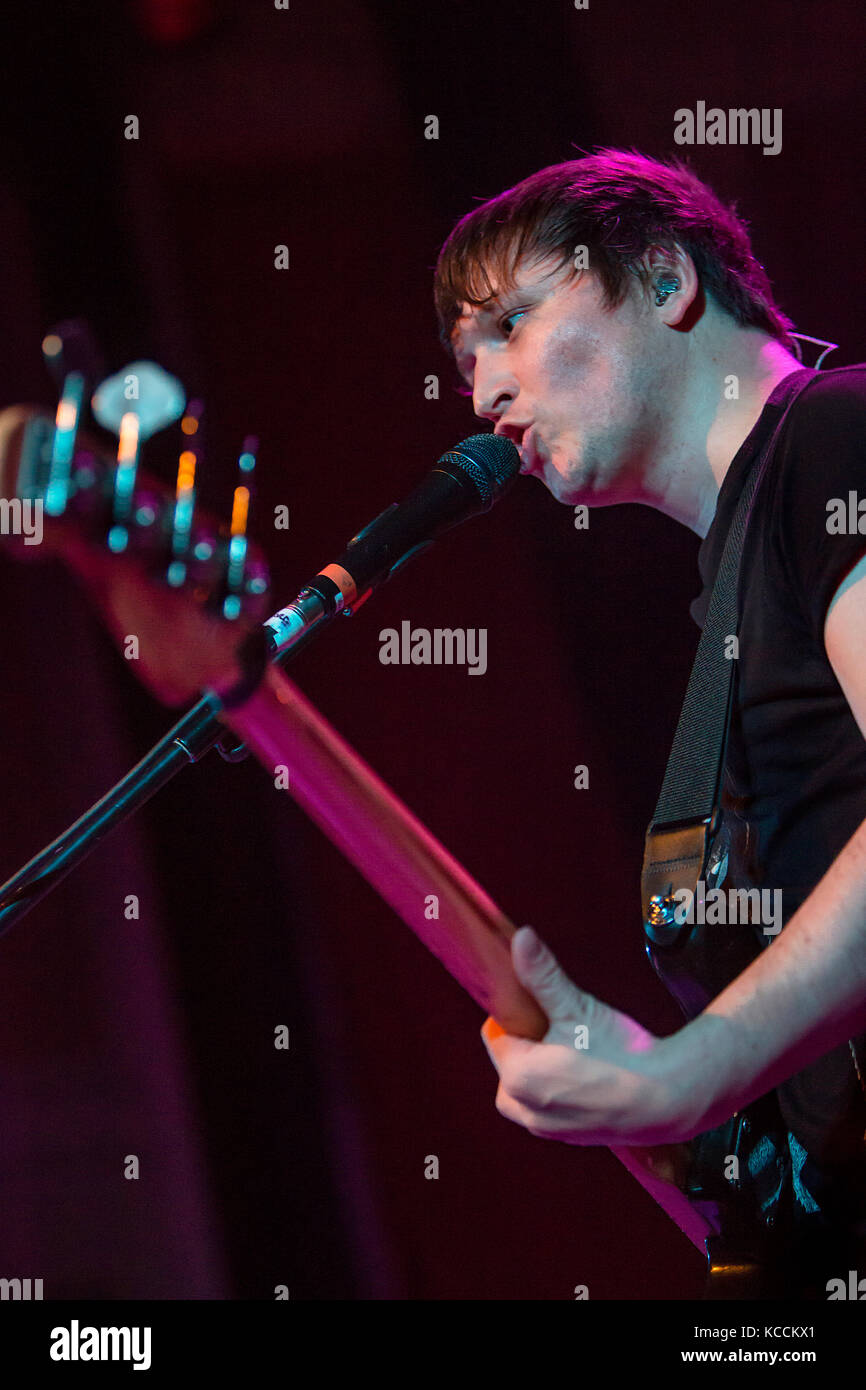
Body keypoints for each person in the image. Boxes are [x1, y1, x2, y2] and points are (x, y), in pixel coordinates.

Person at [432, 147, 866, 1299]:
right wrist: (660, 1112)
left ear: (664, 277)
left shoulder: (834, 435)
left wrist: (689, 1071)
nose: (481, 394)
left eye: (510, 324)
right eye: (465, 361)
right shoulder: (731, 595)